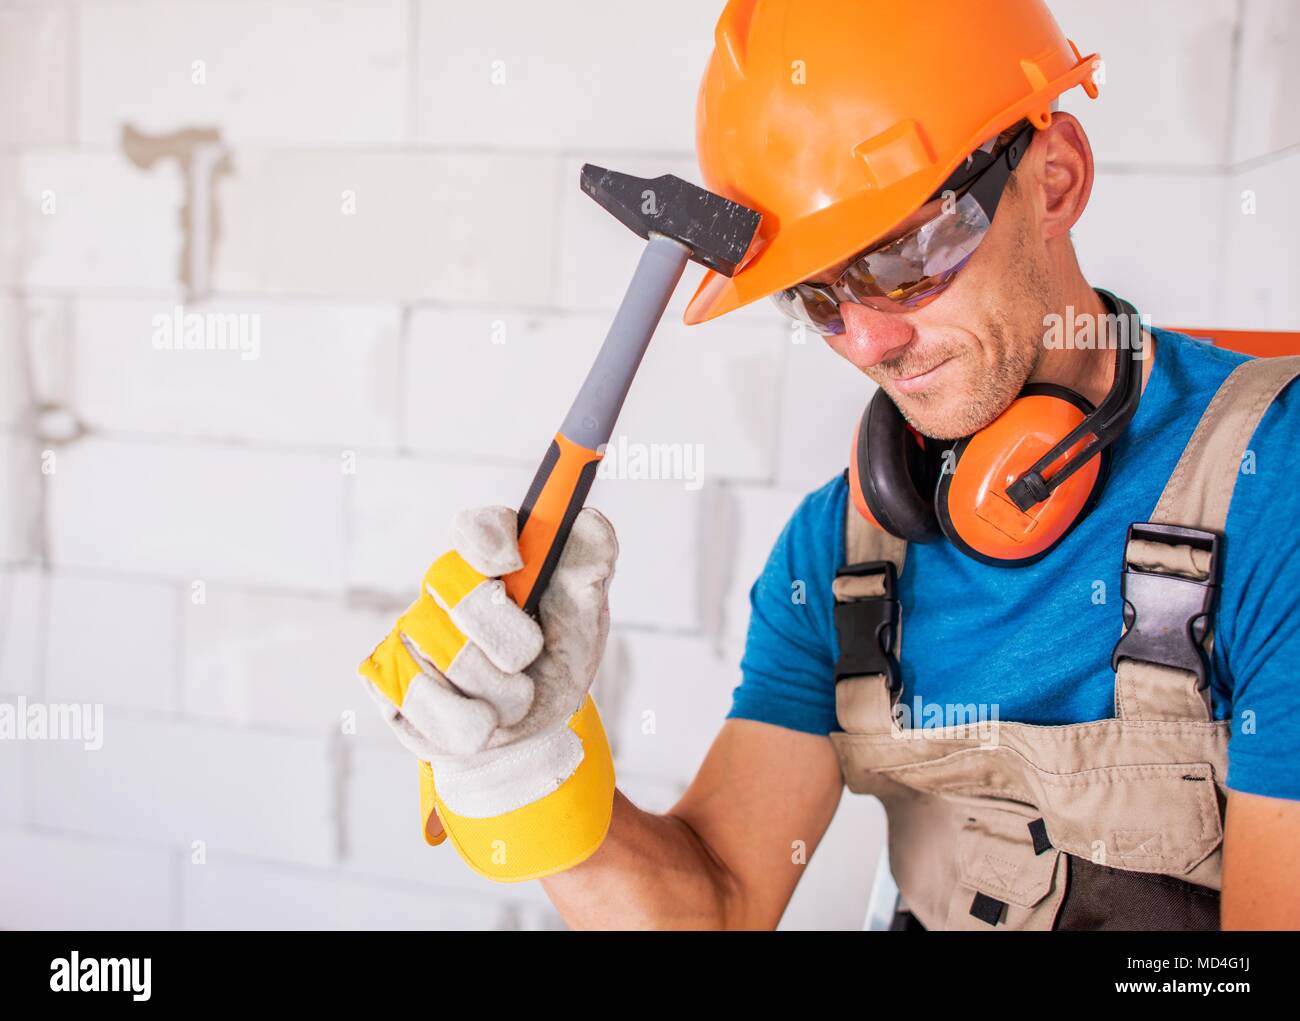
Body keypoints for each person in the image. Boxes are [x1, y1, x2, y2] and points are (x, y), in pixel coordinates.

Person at [360, 0, 1300, 929]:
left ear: (1053, 179)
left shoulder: (1274, 484)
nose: (869, 342)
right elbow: (716, 907)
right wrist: (531, 777)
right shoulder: (841, 557)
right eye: (819, 296)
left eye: (902, 259)